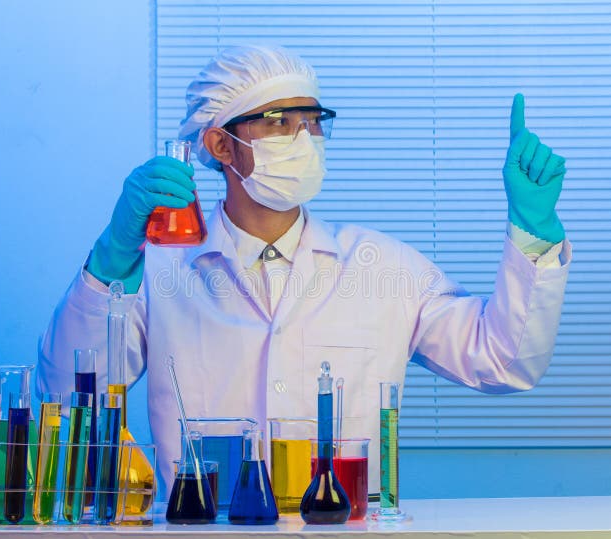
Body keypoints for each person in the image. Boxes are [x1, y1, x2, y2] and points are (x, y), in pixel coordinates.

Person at [37, 44, 572, 498]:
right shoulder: (158, 271)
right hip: (205, 527)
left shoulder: (384, 268)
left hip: (347, 526)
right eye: (278, 122)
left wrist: (533, 231)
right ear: (221, 143)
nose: (304, 139)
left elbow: (504, 363)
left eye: (313, 123)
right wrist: (112, 257)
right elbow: (67, 396)